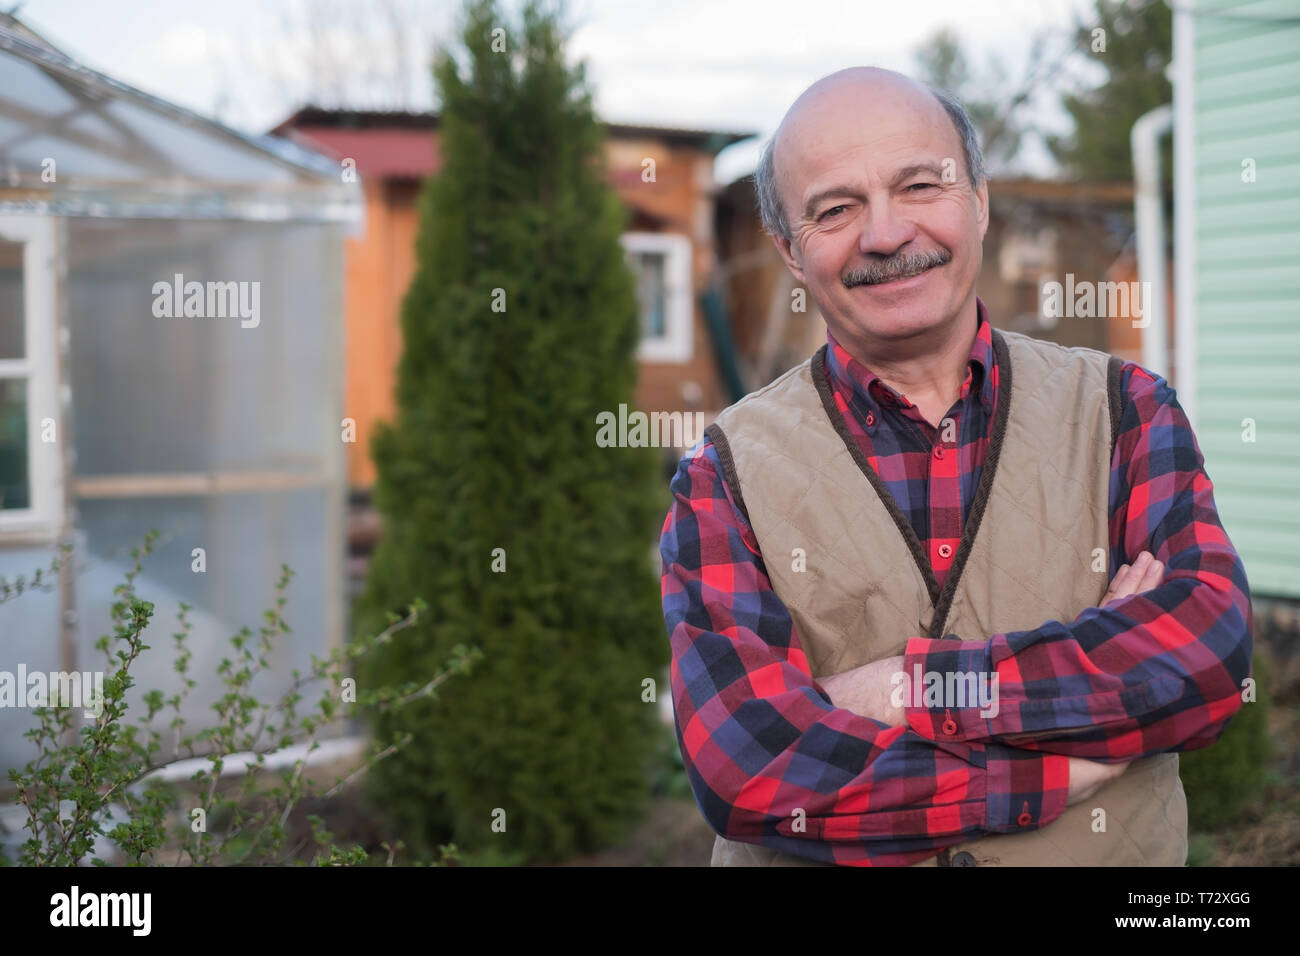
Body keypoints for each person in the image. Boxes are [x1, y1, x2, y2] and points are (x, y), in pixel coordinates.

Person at [658, 67, 1253, 866]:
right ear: (790, 254)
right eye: (835, 209)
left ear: (977, 199)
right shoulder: (721, 475)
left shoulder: (1126, 410)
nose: (886, 234)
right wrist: (1043, 773)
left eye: (919, 185)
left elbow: (1203, 655)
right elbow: (750, 768)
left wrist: (911, 690)